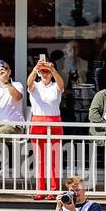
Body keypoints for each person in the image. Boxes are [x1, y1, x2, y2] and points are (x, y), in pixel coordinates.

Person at [28, 55, 65, 198]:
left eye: (47, 72)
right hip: (38, 122)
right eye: (43, 72)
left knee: (54, 158)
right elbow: (29, 82)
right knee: (40, 159)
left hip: (54, 121)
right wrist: (35, 69)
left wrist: (53, 70)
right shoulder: (35, 86)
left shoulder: (55, 86)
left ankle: (54, 189)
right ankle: (41, 190)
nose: (45, 74)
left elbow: (61, 85)